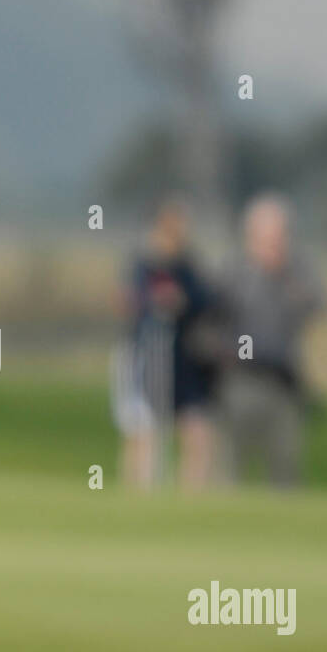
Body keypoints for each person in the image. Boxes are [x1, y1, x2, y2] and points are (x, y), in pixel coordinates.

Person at [217, 193, 327, 487]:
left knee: (286, 461)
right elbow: (213, 315)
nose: (274, 242)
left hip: (283, 378)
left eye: (280, 234)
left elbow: (316, 306)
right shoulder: (234, 270)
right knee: (230, 462)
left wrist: (284, 275)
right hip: (240, 376)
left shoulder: (297, 270)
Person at [113, 198, 220, 489]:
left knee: (196, 433)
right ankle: (139, 495)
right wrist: (151, 302)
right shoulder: (142, 264)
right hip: (146, 356)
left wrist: (182, 302)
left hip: (183, 361)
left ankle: (192, 501)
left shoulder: (188, 267)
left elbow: (206, 301)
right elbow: (128, 304)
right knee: (142, 432)